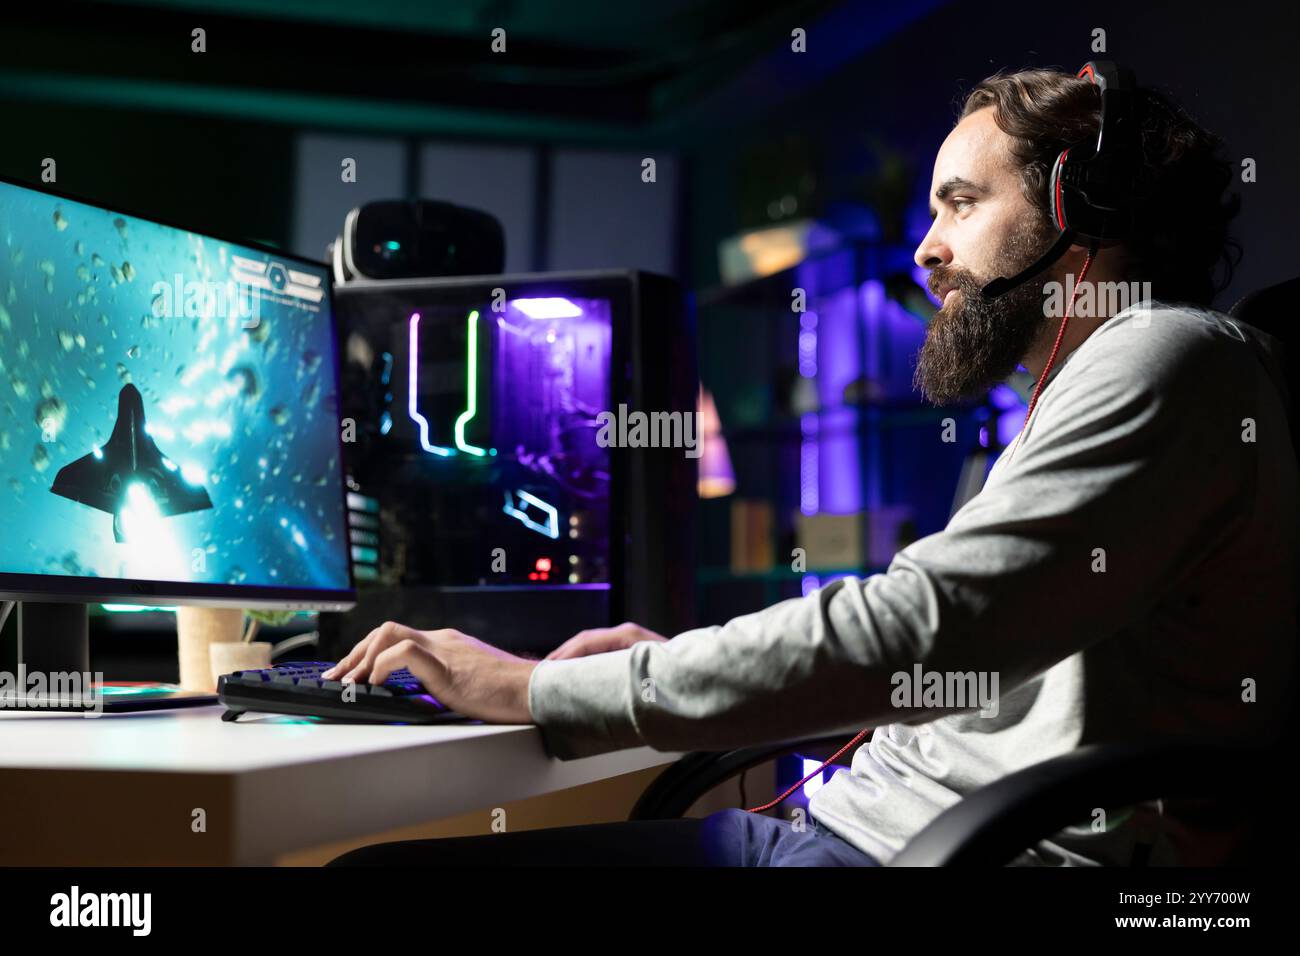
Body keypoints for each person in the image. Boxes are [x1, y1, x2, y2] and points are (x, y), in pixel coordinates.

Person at [327, 66, 1296, 867]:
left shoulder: (1167, 356)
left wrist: (534, 689)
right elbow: (958, 651)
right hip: (858, 835)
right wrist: (661, 657)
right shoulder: (1098, 386)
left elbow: (918, 631)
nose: (928, 249)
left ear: (1079, 209)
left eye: (961, 203)